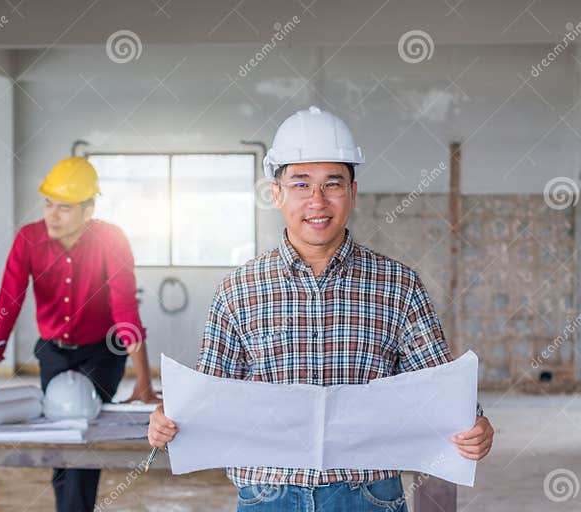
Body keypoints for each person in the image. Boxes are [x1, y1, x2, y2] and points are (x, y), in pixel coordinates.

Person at [148, 107, 495, 511]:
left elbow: (438, 384)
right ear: (275, 193)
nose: (317, 201)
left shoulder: (398, 285)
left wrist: (475, 422)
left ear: (353, 192)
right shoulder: (238, 290)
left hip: (366, 496)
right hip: (268, 495)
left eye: (333, 184)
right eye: (301, 184)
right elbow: (207, 397)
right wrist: (168, 419)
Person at [0, 157, 159, 511]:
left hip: (102, 352)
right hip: (53, 352)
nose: (52, 215)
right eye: (48, 203)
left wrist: (143, 381)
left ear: (88, 211)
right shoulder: (28, 240)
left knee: (82, 436)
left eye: (64, 208)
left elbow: (125, 310)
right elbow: (8, 306)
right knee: (59, 441)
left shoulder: (111, 240)